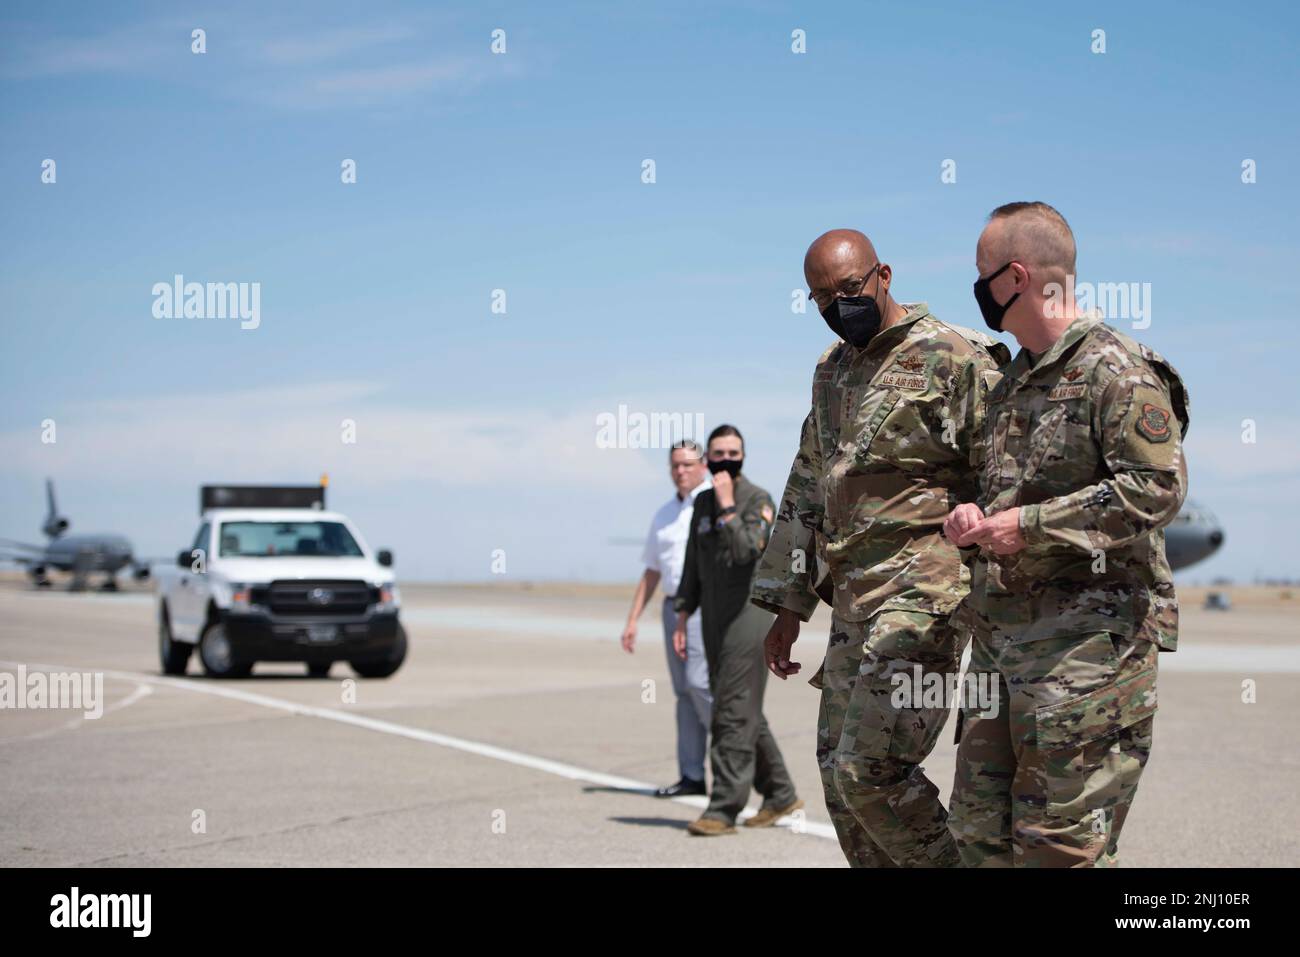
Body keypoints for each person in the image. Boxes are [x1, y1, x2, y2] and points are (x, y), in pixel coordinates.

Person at [751, 228, 1009, 867]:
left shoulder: (956, 358)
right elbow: (808, 485)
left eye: (848, 289)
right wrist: (788, 605)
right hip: (854, 597)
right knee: (839, 774)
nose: (838, 307)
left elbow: (1007, 476)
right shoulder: (832, 370)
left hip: (925, 595)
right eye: (820, 299)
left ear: (884, 275)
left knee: (871, 770)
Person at [945, 201, 1188, 867]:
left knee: (1059, 852)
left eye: (982, 273)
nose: (976, 287)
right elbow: (1010, 494)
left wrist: (1027, 527)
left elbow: (1156, 487)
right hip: (1002, 651)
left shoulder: (1117, 370)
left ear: (1016, 276)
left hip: (1085, 657)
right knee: (976, 840)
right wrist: (975, 518)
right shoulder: (1014, 381)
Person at [673, 425, 801, 836]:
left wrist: (729, 507)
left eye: (733, 452)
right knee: (740, 708)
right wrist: (682, 613)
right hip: (713, 617)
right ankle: (780, 793)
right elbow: (694, 563)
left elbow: (749, 550)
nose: (725, 459)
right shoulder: (702, 503)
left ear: (742, 456)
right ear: (708, 459)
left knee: (730, 711)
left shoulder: (756, 500)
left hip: (748, 619)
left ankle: (723, 808)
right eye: (718, 453)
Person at [621, 439, 713, 797]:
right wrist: (632, 621)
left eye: (688, 465)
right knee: (684, 694)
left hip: (705, 606)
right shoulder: (664, 514)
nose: (681, 472)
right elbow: (652, 571)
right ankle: (692, 776)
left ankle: (736, 758)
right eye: (675, 466)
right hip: (672, 607)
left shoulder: (713, 504)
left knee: (700, 684)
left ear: (703, 465)